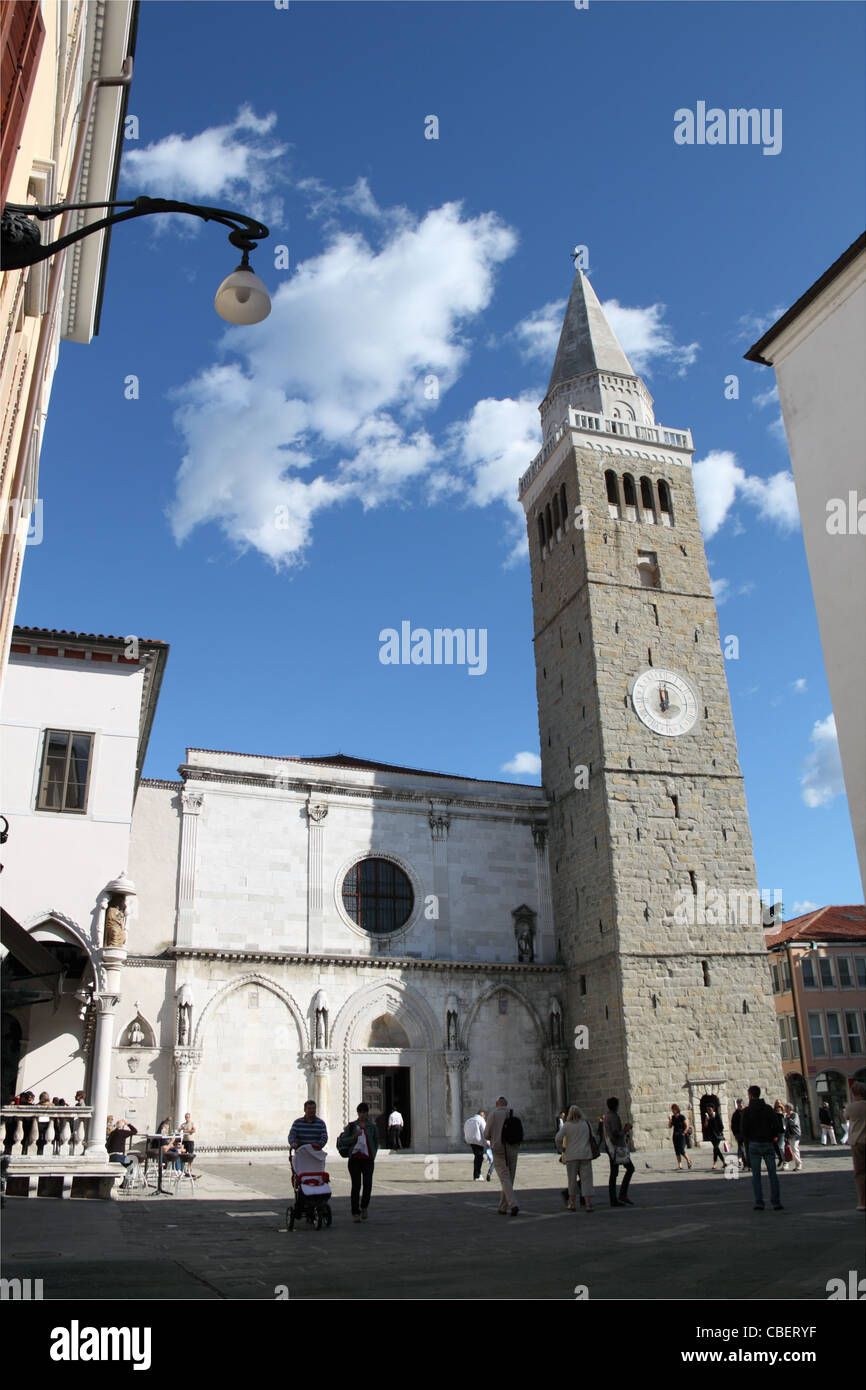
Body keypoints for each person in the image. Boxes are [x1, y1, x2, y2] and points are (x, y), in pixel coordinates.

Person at [740, 1085, 784, 1211]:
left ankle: (759, 1202)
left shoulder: (747, 1111)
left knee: (756, 1175)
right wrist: (772, 1137)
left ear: (750, 1095)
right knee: (773, 1174)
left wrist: (748, 1143)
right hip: (768, 1143)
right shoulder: (768, 1109)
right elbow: (776, 1126)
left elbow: (744, 1131)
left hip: (754, 1144)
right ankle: (776, 1202)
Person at [338, 1102, 378, 1222]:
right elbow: (343, 1140)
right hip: (355, 1159)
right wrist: (354, 1137)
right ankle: (355, 1212)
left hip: (368, 1160)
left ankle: (364, 1206)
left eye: (363, 1112)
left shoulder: (372, 1127)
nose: (361, 1115)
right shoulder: (351, 1126)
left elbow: (376, 1141)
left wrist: (373, 1155)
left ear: (367, 1113)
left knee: (368, 1184)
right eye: (359, 1112)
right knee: (356, 1185)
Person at [484, 1096, 522, 1216]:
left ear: (497, 1104)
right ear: (506, 1103)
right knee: (510, 1177)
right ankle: (502, 1207)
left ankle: (513, 1204)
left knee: (505, 1178)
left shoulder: (493, 1114)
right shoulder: (515, 1113)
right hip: (513, 1147)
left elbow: (486, 1134)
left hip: (498, 1149)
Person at [555, 1105, 594, 1211]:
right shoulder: (586, 1124)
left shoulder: (567, 1125)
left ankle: (572, 1203)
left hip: (571, 1156)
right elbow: (593, 1137)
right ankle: (588, 1204)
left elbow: (558, 1138)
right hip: (585, 1155)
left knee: (572, 1181)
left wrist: (562, 1149)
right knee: (587, 1180)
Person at [604, 1097, 635, 1206]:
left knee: (614, 1173)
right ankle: (621, 1194)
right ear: (616, 1106)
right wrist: (626, 1129)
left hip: (612, 1148)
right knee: (630, 1169)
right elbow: (616, 1133)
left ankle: (615, 1198)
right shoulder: (613, 1117)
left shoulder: (607, 1115)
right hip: (617, 1148)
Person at [845, 1081, 865, 1212]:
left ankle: (862, 1202)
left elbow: (845, 1117)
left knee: (860, 1173)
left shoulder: (851, 1107)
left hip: (857, 1141)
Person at [106, 1119, 140, 1186]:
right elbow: (135, 1131)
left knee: (126, 1163)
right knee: (133, 1161)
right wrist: (128, 1123)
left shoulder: (112, 1133)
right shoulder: (122, 1132)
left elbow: (107, 1145)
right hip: (118, 1156)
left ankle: (124, 1181)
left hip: (111, 1156)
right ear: (122, 1127)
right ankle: (128, 1183)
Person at [463, 1109, 487, 1180]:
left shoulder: (469, 1120)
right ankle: (477, 1175)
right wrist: (488, 1142)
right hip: (478, 1141)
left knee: (478, 1156)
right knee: (479, 1157)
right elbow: (484, 1131)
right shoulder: (481, 1120)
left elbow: (465, 1129)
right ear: (482, 1115)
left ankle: (477, 1174)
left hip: (470, 1140)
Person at [668, 1103, 691, 1171]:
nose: (673, 1111)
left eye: (674, 1109)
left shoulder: (681, 1116)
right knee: (677, 1150)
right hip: (675, 1135)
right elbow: (669, 1126)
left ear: (677, 1109)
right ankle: (680, 1165)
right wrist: (670, 1120)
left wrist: (684, 1132)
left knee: (681, 1149)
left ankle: (688, 1160)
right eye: (672, 1109)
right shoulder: (673, 1117)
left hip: (682, 1134)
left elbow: (687, 1125)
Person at [782, 1103, 802, 1171]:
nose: (785, 1109)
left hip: (795, 1134)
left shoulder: (794, 1115)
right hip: (789, 1135)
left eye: (786, 1108)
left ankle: (799, 1164)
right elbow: (785, 1126)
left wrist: (788, 1118)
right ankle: (797, 1164)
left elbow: (794, 1123)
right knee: (793, 1150)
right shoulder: (786, 1116)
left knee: (794, 1148)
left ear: (789, 1108)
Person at [705, 1104, 725, 1170]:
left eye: (710, 1110)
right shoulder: (708, 1117)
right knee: (716, 1149)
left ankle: (714, 1164)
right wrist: (707, 1120)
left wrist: (720, 1133)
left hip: (717, 1135)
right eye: (708, 1110)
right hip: (712, 1136)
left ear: (713, 1109)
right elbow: (706, 1126)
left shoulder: (716, 1116)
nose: (709, 1111)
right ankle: (724, 1162)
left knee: (715, 1149)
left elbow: (721, 1126)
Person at [731, 1098, 747, 1169]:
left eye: (740, 1104)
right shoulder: (735, 1114)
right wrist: (735, 1133)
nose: (740, 1106)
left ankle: (745, 1163)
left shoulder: (746, 1112)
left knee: (747, 1148)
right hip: (739, 1134)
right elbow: (733, 1124)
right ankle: (744, 1163)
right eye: (738, 1104)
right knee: (741, 1148)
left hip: (746, 1133)